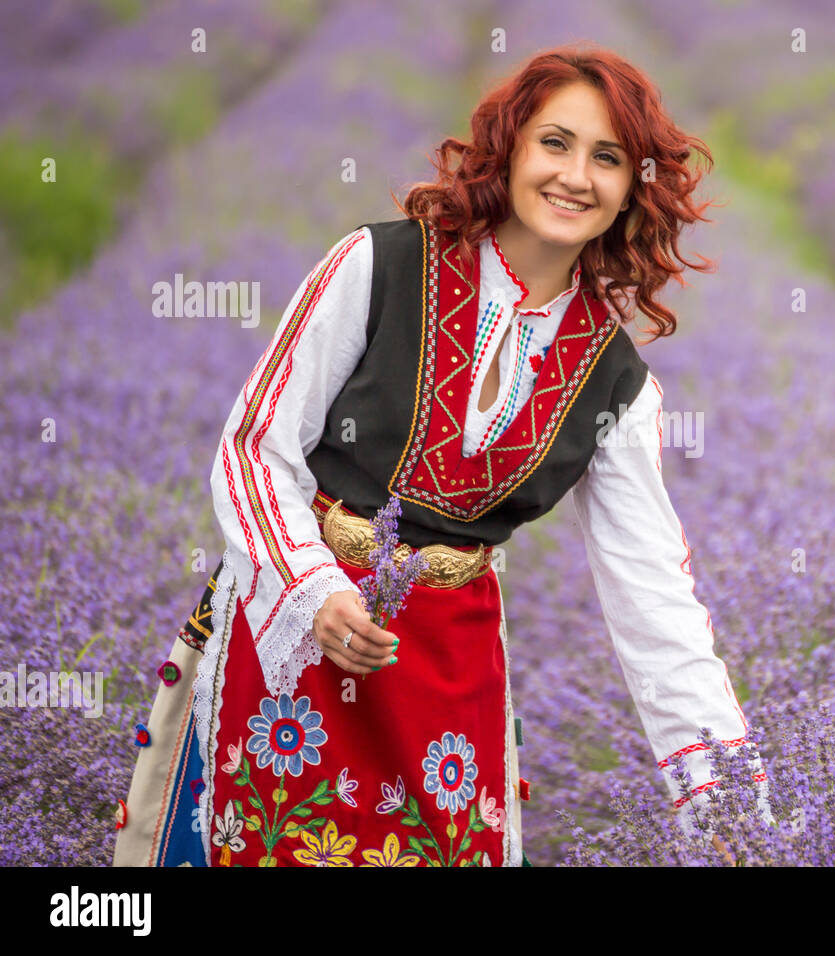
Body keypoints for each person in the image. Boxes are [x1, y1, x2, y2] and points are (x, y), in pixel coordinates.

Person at [112, 45, 771, 868]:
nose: (576, 175)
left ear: (635, 186)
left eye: (607, 158)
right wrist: (315, 589)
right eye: (555, 143)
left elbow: (653, 596)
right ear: (510, 148)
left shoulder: (618, 386)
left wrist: (725, 800)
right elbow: (254, 450)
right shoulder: (378, 265)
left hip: (445, 681)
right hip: (294, 638)